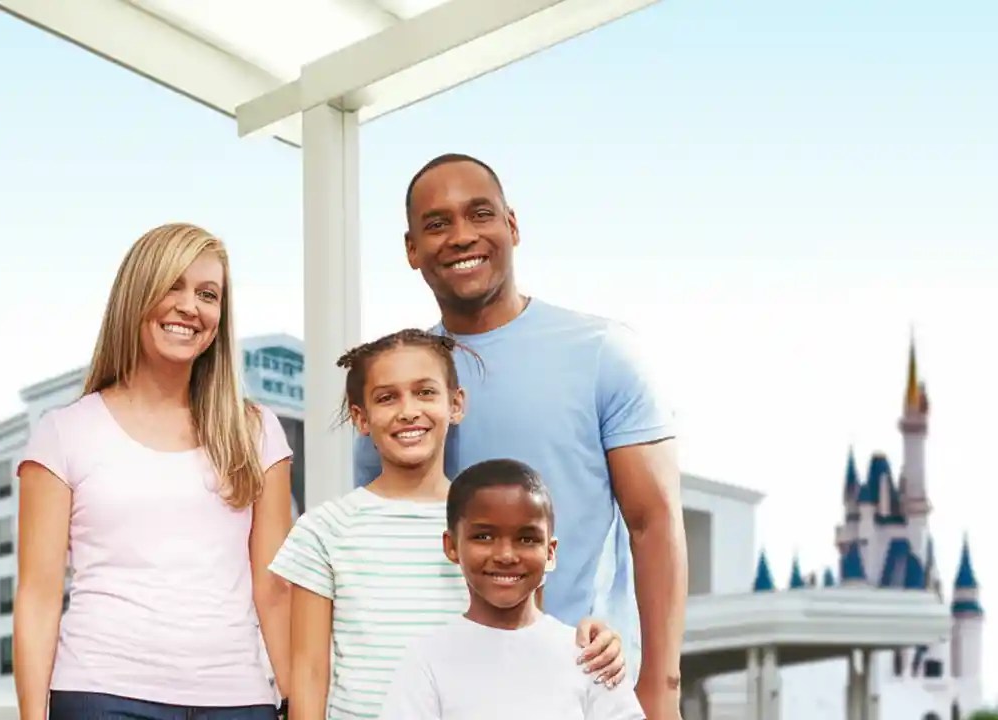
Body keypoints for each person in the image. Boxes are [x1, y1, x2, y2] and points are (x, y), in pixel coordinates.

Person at [354, 153, 688, 718]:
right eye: (437, 224)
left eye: (479, 214)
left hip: (585, 688)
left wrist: (662, 686)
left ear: (512, 225)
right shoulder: (403, 391)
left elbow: (653, 521)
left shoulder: (603, 353)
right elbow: (381, 553)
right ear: (412, 249)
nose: (462, 236)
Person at [13, 223, 294, 720]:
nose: (190, 306)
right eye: (172, 286)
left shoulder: (256, 431)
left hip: (236, 698)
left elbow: (274, 589)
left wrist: (298, 702)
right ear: (135, 296)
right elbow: (38, 597)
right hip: (102, 695)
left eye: (208, 294)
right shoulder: (64, 433)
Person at [270, 330, 626, 720]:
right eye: (387, 397)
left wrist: (593, 640)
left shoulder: (504, 523)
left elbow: (529, 639)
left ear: (455, 404)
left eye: (425, 392)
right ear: (361, 418)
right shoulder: (324, 530)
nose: (408, 411)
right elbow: (309, 672)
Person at [379, 459, 647, 720]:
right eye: (484, 536)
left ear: (550, 552)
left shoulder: (589, 656)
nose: (506, 555)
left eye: (526, 539)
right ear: (451, 546)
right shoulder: (427, 659)